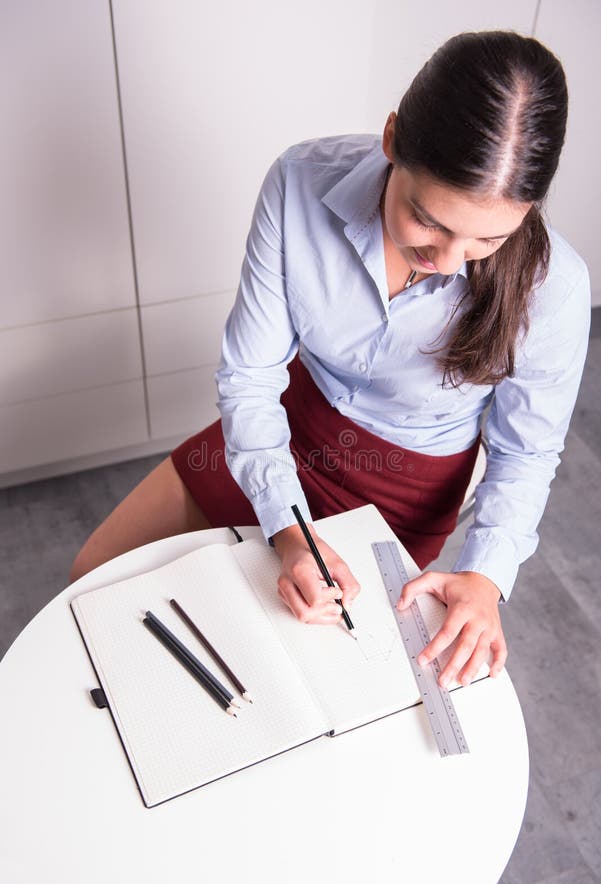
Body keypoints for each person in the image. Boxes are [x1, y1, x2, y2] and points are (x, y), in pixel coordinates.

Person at [71, 30, 590, 689]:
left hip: (403, 485)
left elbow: (524, 456)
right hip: (283, 431)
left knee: (285, 676)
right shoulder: (299, 182)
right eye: (427, 220)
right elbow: (251, 379)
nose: (451, 261)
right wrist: (291, 533)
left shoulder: (554, 289)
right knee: (92, 581)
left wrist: (484, 580)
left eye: (488, 237)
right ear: (392, 138)